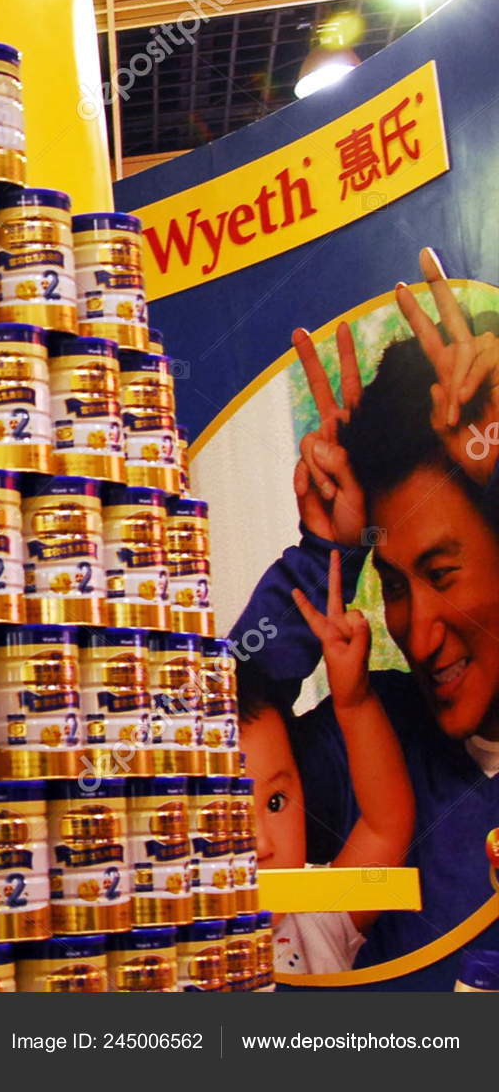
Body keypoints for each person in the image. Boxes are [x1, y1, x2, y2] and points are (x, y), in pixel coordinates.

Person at [233, 248, 499, 989]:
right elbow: (216, 726)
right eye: (393, 583)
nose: (415, 634)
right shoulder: (375, 726)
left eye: (441, 574)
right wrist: (324, 553)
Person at [237, 551, 414, 974]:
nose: (262, 845)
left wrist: (354, 703)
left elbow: (385, 826)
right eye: (228, 816)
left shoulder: (318, 923)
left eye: (276, 803)